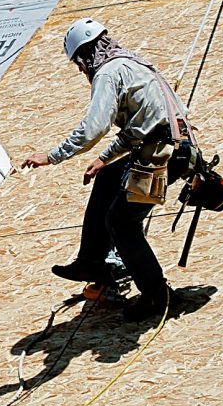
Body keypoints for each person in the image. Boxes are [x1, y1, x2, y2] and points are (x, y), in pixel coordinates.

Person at [21, 18, 191, 321]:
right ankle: (91, 260)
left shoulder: (107, 74)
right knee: (108, 178)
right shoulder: (132, 63)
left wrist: (51, 156)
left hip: (162, 153)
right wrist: (105, 159)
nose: (82, 71)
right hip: (175, 147)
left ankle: (158, 296)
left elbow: (93, 128)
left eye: (79, 65)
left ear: (85, 55)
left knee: (122, 223)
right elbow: (140, 126)